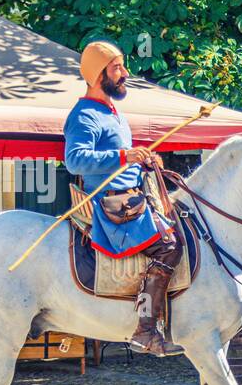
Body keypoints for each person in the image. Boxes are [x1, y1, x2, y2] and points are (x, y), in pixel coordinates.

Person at [64, 40, 184, 356]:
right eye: (117, 68)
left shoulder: (114, 113)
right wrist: (124, 156)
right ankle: (145, 330)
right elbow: (75, 159)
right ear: (97, 74)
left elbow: (124, 160)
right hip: (112, 206)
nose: (124, 73)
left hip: (134, 198)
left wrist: (144, 161)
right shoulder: (84, 115)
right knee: (170, 246)